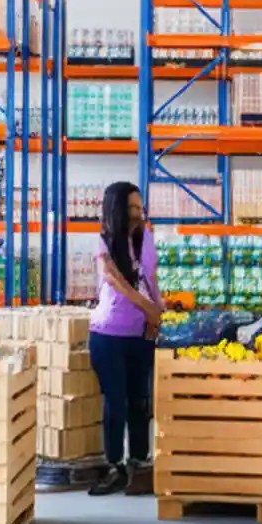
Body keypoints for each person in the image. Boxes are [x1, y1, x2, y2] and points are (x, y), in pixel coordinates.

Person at [88, 181, 163, 497]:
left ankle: (139, 462)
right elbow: (114, 280)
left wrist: (157, 314)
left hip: (140, 333)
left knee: (140, 402)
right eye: (132, 208)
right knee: (115, 403)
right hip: (108, 334)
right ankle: (114, 465)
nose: (138, 213)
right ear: (118, 209)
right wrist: (147, 307)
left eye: (140, 207)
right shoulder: (104, 240)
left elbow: (152, 279)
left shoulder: (146, 239)